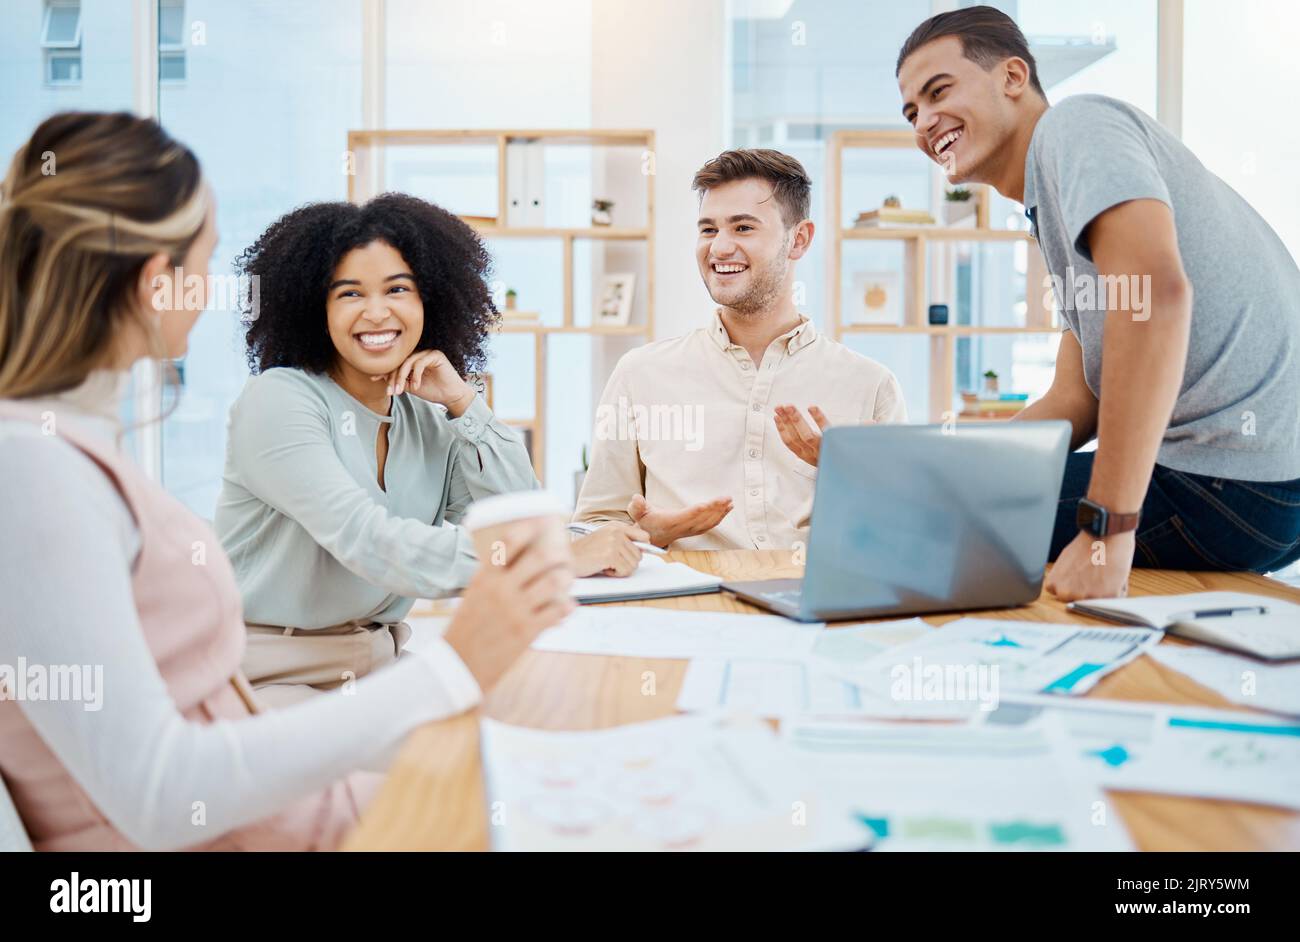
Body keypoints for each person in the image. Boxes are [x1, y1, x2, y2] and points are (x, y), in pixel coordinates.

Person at [0, 111, 574, 850]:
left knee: (539, 771)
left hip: (280, 776)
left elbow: (499, 516)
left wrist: (467, 407)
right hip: (249, 807)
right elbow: (164, 793)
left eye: (399, 289)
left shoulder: (65, 447)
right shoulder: (37, 467)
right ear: (156, 282)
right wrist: (458, 663)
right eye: (204, 261)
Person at [895, 6, 1300, 599]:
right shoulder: (1054, 204)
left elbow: (1157, 298)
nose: (925, 122)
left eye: (938, 92)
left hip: (1228, 482)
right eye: (912, 112)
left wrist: (1108, 528)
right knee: (939, 491)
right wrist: (953, 461)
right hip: (1265, 494)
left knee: (924, 521)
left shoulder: (1076, 128)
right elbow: (1073, 399)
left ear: (1013, 77)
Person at [217, 196, 646, 704]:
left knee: (536, 716)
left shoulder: (425, 416)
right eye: (349, 293)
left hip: (381, 663)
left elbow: (514, 515)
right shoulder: (280, 401)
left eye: (398, 289)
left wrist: (464, 403)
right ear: (316, 308)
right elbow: (368, 542)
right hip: (271, 675)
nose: (377, 312)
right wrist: (555, 559)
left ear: (432, 301)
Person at [574, 149, 907, 550]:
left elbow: (900, 539)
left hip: (812, 605)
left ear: (798, 239)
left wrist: (849, 473)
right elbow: (594, 525)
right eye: (709, 229)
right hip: (682, 608)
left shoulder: (871, 386)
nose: (719, 248)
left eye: (744, 228)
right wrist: (648, 537)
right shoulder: (638, 374)